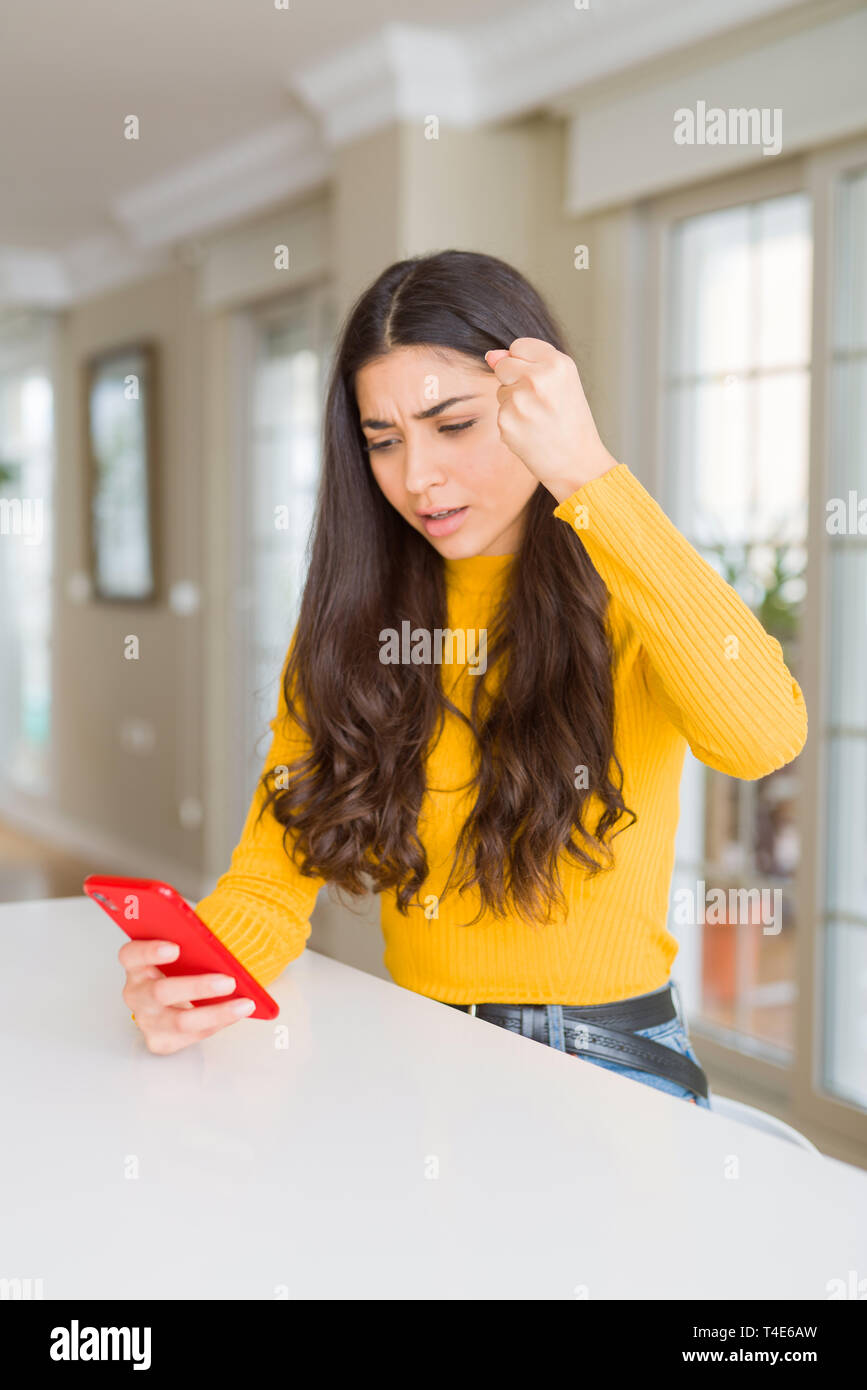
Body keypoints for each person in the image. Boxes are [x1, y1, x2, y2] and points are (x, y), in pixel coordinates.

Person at [120, 249, 808, 1108]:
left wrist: (586, 472)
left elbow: (761, 738)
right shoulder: (351, 619)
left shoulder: (632, 583)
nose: (418, 478)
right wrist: (196, 977)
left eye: (452, 425)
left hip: (603, 1055)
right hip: (416, 1043)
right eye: (384, 440)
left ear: (534, 412)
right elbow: (272, 873)